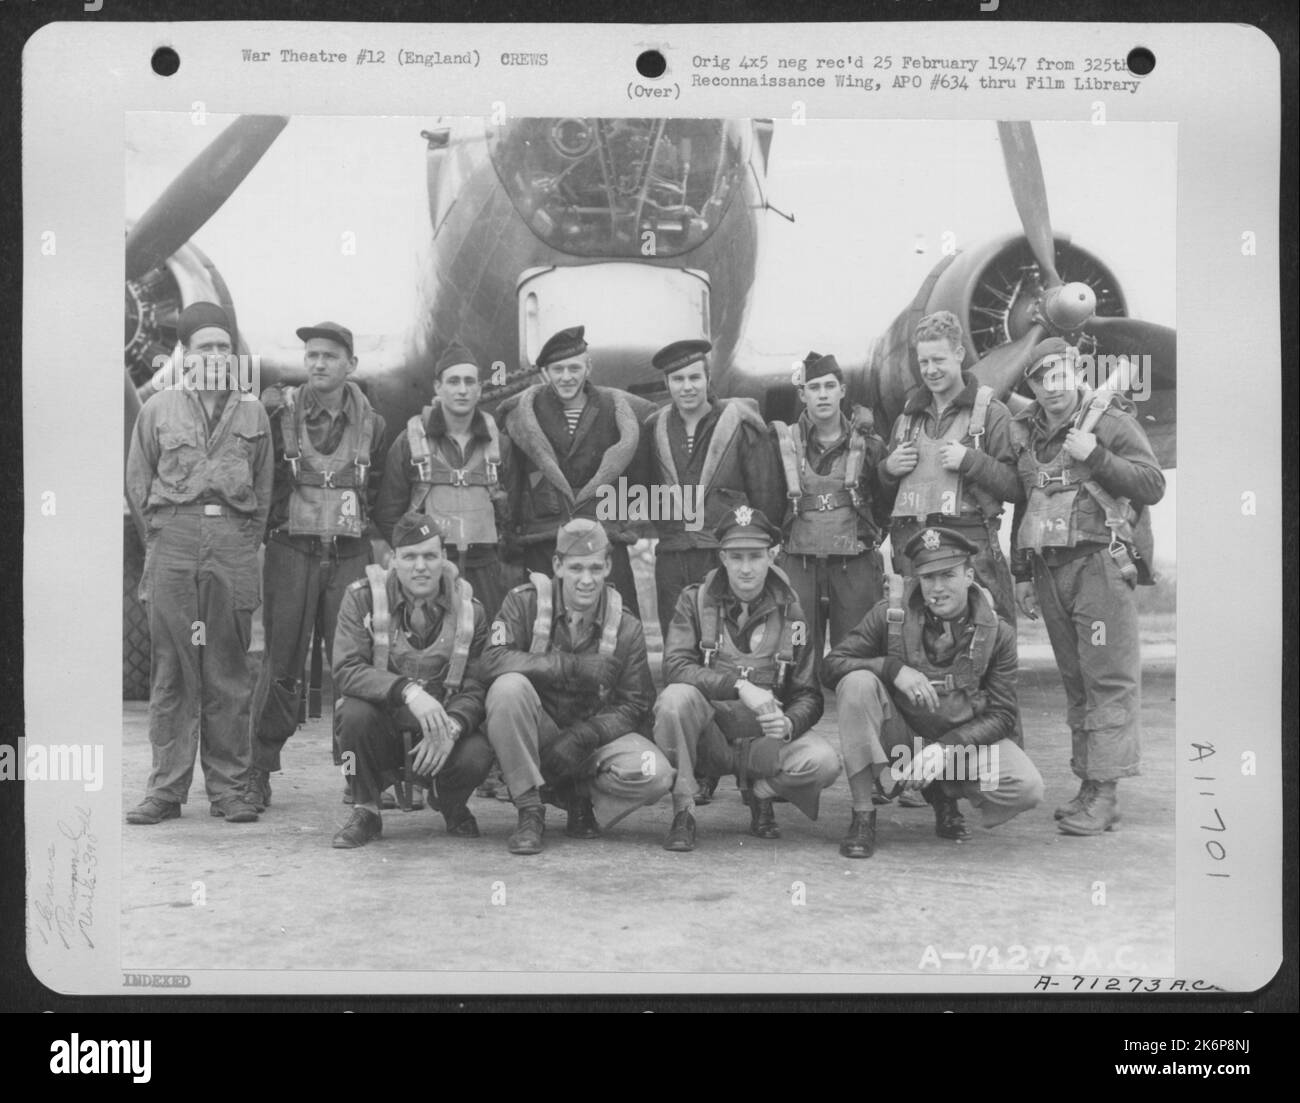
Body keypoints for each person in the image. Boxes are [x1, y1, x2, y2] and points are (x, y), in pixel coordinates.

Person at [1009, 339, 1165, 836]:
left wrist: (1096, 454)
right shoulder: (1030, 434)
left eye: (1060, 373)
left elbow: (1151, 484)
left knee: (1107, 680)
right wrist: (1020, 574)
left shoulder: (1112, 422)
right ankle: (1088, 784)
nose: (1052, 385)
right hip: (1050, 569)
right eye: (1040, 378)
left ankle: (1106, 793)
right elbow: (1026, 502)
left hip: (1097, 566)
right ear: (1031, 385)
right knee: (1077, 681)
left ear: (1076, 370)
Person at [125, 302, 273, 825]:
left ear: (233, 354)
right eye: (205, 346)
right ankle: (165, 790)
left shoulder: (254, 413)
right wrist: (163, 537)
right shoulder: (157, 409)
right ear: (186, 353)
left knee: (228, 668)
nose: (215, 355)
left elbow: (263, 489)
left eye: (223, 346)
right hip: (174, 539)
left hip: (231, 542)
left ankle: (231, 789)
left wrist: (235, 539)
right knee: (172, 668)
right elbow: (139, 483)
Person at [822, 527, 1044, 858]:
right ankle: (863, 813)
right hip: (899, 744)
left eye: (947, 575)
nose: (937, 589)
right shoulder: (890, 614)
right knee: (856, 683)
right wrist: (892, 669)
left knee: (1025, 787)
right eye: (927, 578)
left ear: (969, 576)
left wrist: (946, 750)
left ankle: (944, 793)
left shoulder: (999, 634)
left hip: (954, 749)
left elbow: (1002, 715)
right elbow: (831, 666)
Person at [247, 321, 388, 812]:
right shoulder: (274, 414)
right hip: (290, 552)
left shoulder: (377, 424)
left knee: (352, 666)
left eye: (329, 355)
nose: (319, 364)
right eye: (311, 355)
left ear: (351, 363)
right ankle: (257, 774)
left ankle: (358, 776)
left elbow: (383, 501)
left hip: (348, 554)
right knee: (280, 663)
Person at [478, 519, 672, 855]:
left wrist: (586, 735)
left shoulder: (627, 625)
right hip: (537, 732)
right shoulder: (521, 603)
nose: (587, 579)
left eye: (596, 568)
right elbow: (490, 661)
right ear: (557, 565)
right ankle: (530, 807)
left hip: (592, 743)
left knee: (656, 773)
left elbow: (635, 705)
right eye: (576, 567)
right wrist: (568, 665)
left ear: (609, 566)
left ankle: (578, 797)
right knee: (508, 689)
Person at [652, 507, 839, 853]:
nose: (746, 568)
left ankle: (761, 793)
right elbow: (675, 667)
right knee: (674, 699)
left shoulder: (793, 615)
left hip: (763, 742)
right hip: (709, 738)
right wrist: (740, 685)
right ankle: (684, 809)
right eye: (736, 557)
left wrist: (787, 723)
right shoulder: (694, 601)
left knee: (824, 761)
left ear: (773, 555)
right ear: (722, 557)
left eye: (755, 556)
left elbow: (808, 694)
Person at [330, 511, 494, 848]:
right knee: (353, 713)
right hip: (385, 719)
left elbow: (479, 683)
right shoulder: (361, 597)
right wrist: (406, 691)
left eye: (430, 556)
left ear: (444, 559)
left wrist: (454, 726)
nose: (421, 566)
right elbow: (346, 669)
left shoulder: (471, 610)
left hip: (441, 725)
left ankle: (450, 801)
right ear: (392, 560)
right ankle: (367, 810)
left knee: (479, 749)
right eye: (410, 557)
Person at [634, 338, 785, 636]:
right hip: (672, 556)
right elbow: (645, 492)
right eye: (677, 379)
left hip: (724, 553)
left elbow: (767, 497)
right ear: (667, 383)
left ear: (708, 378)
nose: (686, 387)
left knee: (726, 637)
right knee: (677, 638)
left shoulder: (742, 426)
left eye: (694, 377)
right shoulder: (653, 429)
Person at [879, 311, 1020, 624]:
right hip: (914, 555)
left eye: (939, 360)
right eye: (924, 361)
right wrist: (888, 470)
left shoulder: (992, 415)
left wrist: (972, 461)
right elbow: (885, 499)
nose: (930, 370)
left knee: (985, 642)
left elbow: (1016, 487)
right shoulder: (906, 421)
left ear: (959, 354)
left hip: (970, 552)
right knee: (916, 647)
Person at [497, 326, 642, 615]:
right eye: (558, 369)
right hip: (544, 539)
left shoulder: (616, 413)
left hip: (604, 538)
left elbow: (634, 478)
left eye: (574, 368)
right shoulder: (523, 418)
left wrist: (620, 520)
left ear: (588, 367)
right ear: (544, 374)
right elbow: (513, 481)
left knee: (616, 619)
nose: (566, 377)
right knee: (541, 624)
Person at [770, 351, 888, 679]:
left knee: (858, 654)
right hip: (798, 560)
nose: (822, 394)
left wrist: (865, 537)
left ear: (842, 391)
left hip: (855, 563)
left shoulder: (871, 446)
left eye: (829, 386)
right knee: (794, 654)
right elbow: (770, 497)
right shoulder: (784, 446)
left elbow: (884, 503)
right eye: (814, 387)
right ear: (802, 394)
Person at [373, 343, 510, 620]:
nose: (462, 390)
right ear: (438, 387)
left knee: (490, 651)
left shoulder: (500, 445)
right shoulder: (410, 442)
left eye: (469, 382)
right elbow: (387, 513)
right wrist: (417, 558)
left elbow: (513, 508)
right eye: (453, 381)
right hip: (430, 572)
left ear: (479, 389)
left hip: (485, 569)